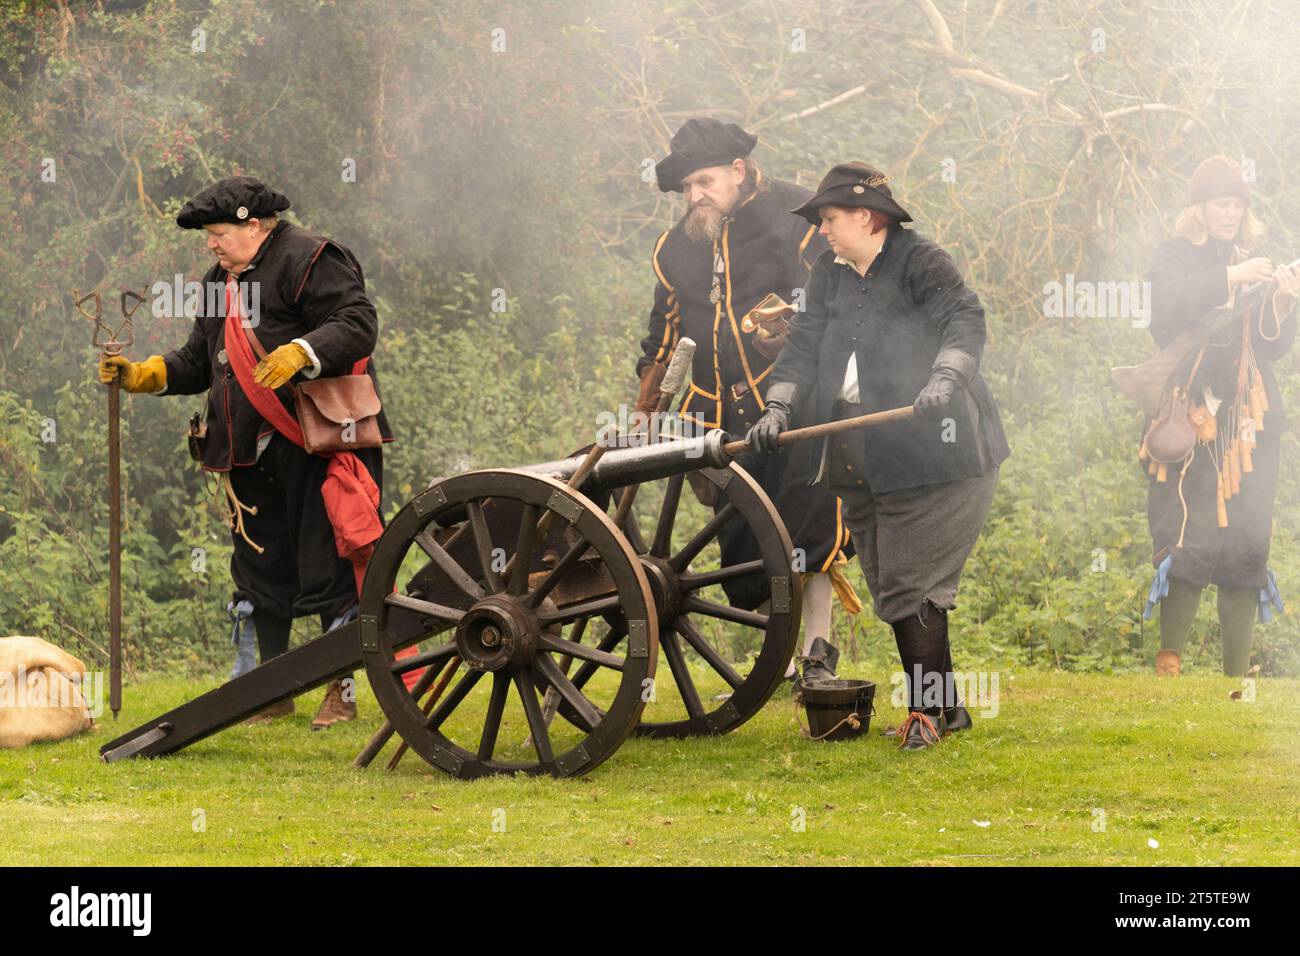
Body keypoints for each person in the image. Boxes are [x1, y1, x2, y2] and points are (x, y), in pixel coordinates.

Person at [98, 176, 394, 728]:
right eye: (207, 235)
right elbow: (196, 359)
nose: (211, 244)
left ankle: (342, 692)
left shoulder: (310, 257)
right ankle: (271, 689)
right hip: (246, 452)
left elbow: (357, 323)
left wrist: (301, 352)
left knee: (328, 564)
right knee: (261, 572)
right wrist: (145, 376)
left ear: (254, 225)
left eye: (219, 233)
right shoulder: (218, 281)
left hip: (314, 441)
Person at [747, 161, 1010, 749]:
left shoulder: (921, 260)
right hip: (861, 454)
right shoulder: (829, 273)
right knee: (895, 585)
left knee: (912, 583)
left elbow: (964, 320)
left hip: (944, 456)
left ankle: (925, 715)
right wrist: (780, 408)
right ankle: (949, 708)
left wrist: (945, 377)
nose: (823, 231)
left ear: (866, 217)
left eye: (831, 219)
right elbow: (802, 345)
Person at [637, 118, 860, 685]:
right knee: (744, 539)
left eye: (704, 182)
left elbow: (845, 293)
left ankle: (816, 653)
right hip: (717, 414)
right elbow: (663, 335)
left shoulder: (802, 219)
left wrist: (797, 332)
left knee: (808, 527)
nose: (694, 196)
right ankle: (780, 653)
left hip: (802, 402)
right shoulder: (675, 247)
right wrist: (647, 402)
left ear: (738, 170)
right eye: (687, 187)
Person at [1142, 156, 1298, 676]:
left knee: (1248, 540)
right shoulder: (1172, 256)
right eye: (1222, 203)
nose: (1231, 213)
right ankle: (1170, 663)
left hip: (1251, 423)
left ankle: (1237, 672)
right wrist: (1230, 275)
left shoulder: (1251, 259)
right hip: (1189, 417)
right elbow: (1164, 310)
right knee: (1189, 532)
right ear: (1200, 208)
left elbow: (1270, 348)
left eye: (1238, 204)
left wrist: (1280, 301)